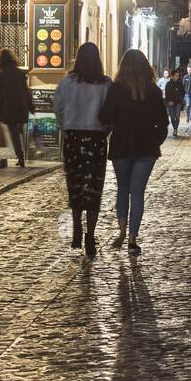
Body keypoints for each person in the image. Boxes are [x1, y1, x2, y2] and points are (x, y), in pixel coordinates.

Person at [98, 49, 168, 255]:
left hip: (122, 146)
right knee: (137, 193)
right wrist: (155, 140)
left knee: (123, 189)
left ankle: (121, 231)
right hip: (146, 148)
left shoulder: (117, 89)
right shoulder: (153, 91)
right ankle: (132, 239)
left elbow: (105, 117)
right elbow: (163, 122)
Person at [54, 42, 111, 259]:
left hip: (73, 139)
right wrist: (105, 130)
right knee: (94, 187)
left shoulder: (67, 82)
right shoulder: (106, 84)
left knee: (76, 183)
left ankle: (77, 226)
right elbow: (111, 112)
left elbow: (57, 108)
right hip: (96, 139)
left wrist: (66, 125)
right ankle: (90, 234)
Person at [0, 49, 32, 168]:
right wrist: (30, 106)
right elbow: (26, 91)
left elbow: (0, 94)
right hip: (21, 106)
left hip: (9, 107)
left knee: (14, 133)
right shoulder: (20, 73)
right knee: (19, 131)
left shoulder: (1, 74)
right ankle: (25, 153)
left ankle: (20, 156)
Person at [163, 68, 185, 138]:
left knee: (177, 116)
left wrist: (181, 98)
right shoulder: (168, 84)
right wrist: (169, 101)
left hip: (178, 102)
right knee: (172, 117)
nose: (177, 77)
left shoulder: (180, 83)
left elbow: (183, 92)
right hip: (171, 103)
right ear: (172, 76)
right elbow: (167, 94)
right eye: (176, 75)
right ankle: (174, 127)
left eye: (178, 76)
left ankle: (175, 129)